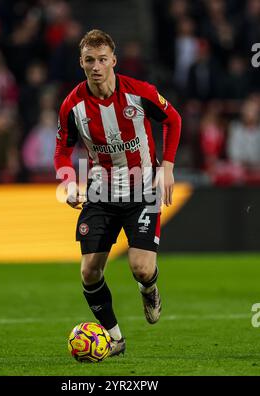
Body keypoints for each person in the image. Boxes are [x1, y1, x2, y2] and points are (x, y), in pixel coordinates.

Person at [54, 29, 181, 356]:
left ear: (113, 60)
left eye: (101, 60)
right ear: (81, 63)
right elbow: (61, 150)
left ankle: (149, 289)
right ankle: (115, 339)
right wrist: (68, 181)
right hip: (101, 193)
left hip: (143, 189)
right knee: (89, 270)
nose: (96, 66)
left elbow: (174, 119)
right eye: (89, 61)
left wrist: (167, 166)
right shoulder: (73, 105)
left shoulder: (140, 93)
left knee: (140, 267)